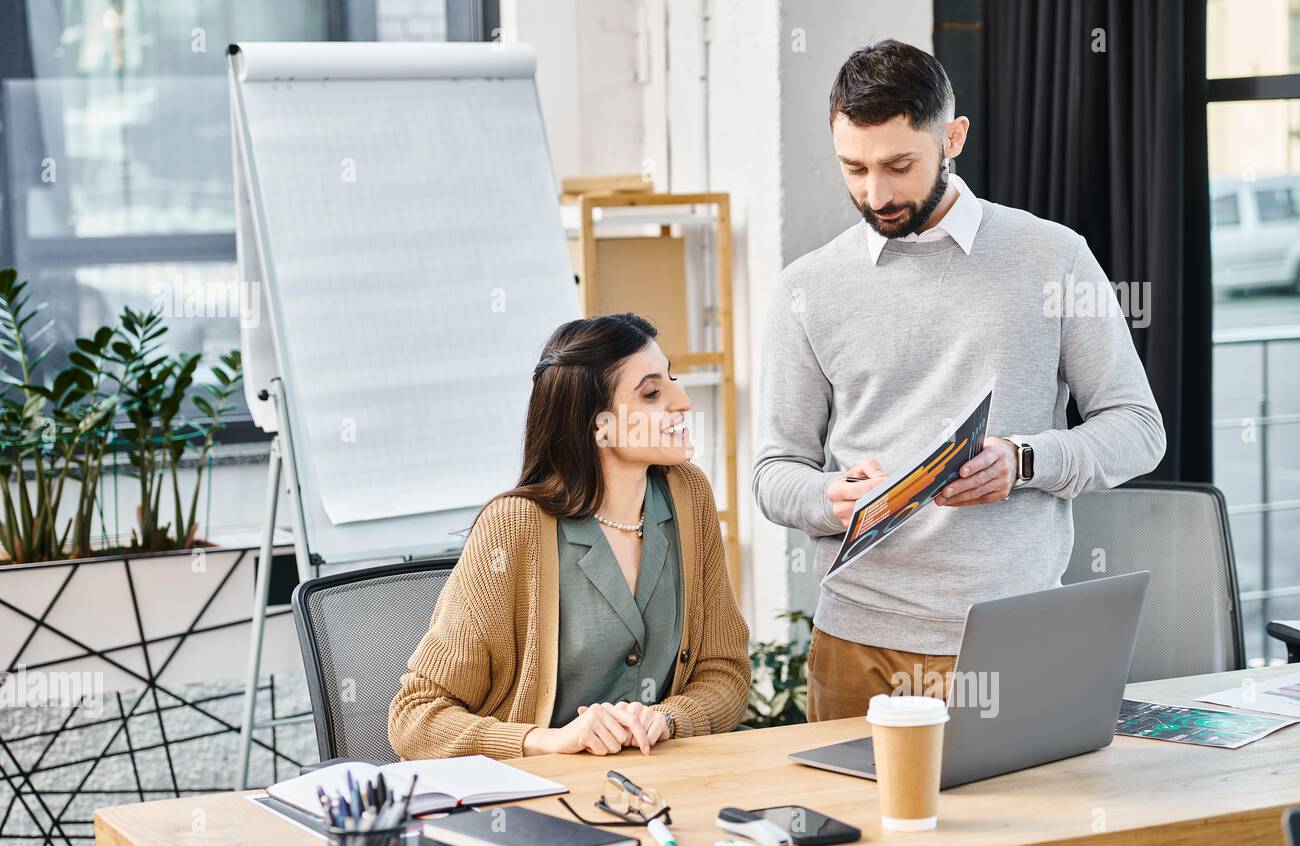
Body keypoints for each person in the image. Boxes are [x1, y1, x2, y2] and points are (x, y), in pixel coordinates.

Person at [752, 40, 1167, 720]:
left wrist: (1027, 459)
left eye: (898, 165)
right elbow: (775, 470)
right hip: (857, 639)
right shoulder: (807, 288)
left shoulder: (1053, 257)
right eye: (852, 168)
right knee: (859, 828)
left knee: (1031, 829)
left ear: (953, 138)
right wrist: (830, 496)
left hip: (1011, 633)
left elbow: (1138, 430)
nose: (875, 193)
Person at [390, 312, 749, 759]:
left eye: (671, 380)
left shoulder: (687, 495)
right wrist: (546, 741)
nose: (682, 402)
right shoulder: (515, 526)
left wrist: (667, 719)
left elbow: (725, 670)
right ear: (598, 425)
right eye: (652, 393)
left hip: (660, 787)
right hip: (540, 800)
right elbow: (415, 718)